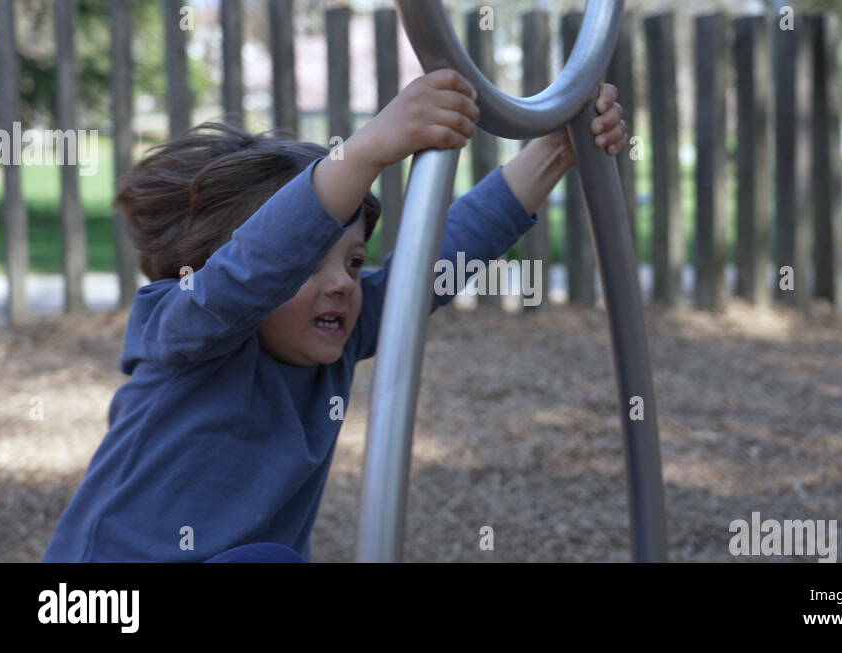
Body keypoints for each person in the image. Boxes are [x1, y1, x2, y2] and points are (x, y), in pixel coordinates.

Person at [41, 69, 629, 562]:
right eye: (307, 266)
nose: (342, 286)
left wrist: (555, 150)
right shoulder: (185, 330)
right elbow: (253, 267)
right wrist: (368, 149)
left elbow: (440, 258)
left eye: (352, 263)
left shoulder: (335, 337)